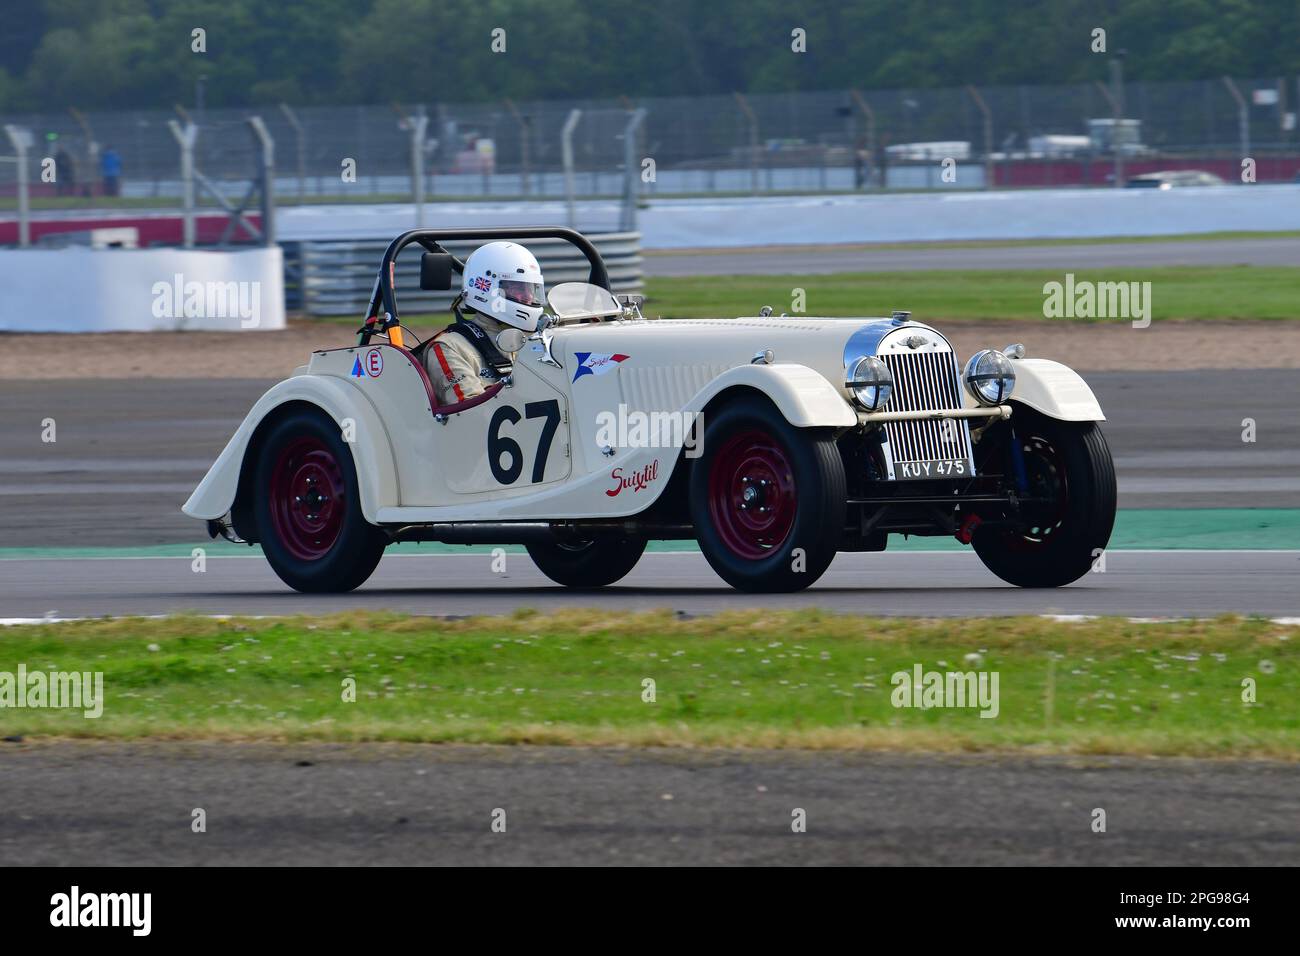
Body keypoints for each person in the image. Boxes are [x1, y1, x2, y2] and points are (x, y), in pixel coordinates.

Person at [423, 241, 545, 406]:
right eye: (517, 288)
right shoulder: (449, 347)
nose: (528, 297)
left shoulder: (540, 340)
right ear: (486, 289)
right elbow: (471, 414)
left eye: (531, 289)